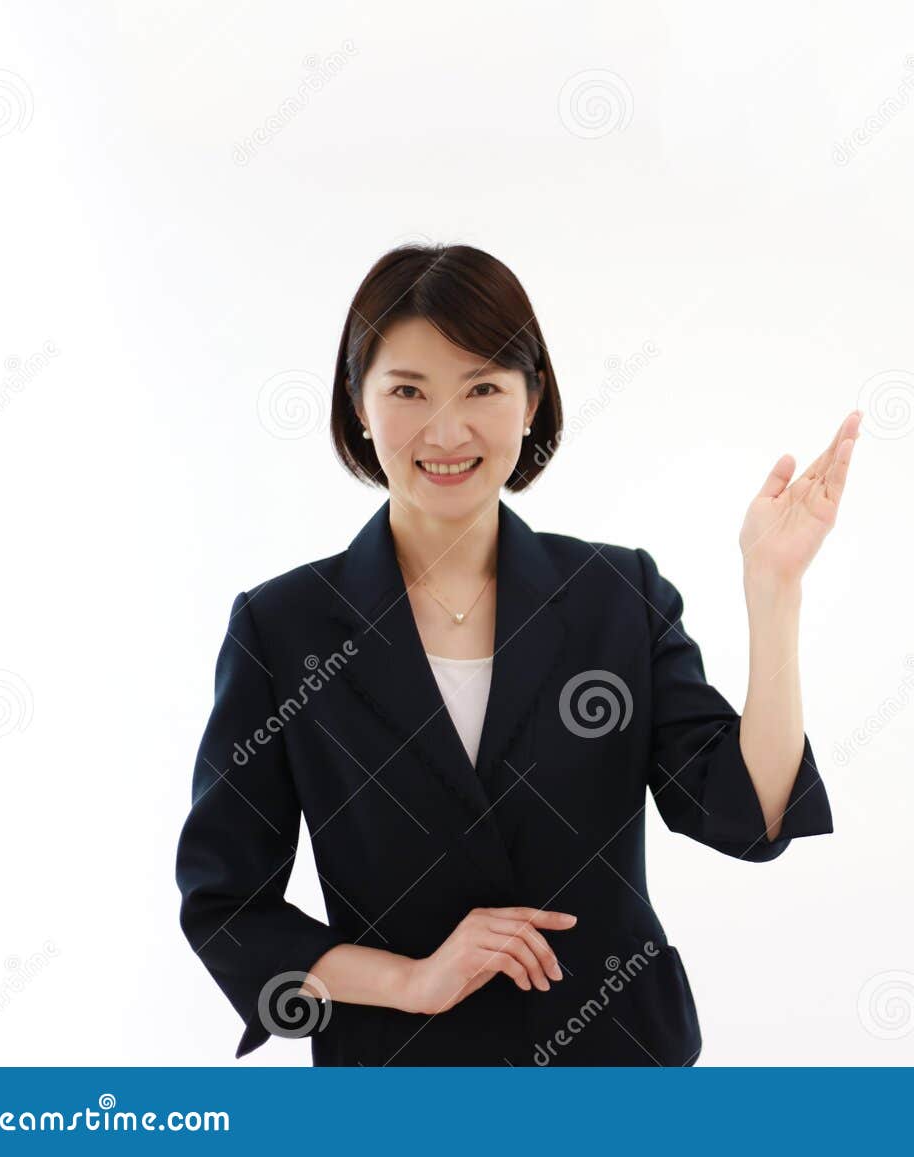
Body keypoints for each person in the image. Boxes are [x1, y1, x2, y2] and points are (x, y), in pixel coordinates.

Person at [173, 243, 860, 1065]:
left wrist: (773, 590)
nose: (447, 430)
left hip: (616, 1066)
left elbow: (751, 814)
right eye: (407, 391)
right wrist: (412, 980)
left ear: (533, 399)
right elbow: (228, 905)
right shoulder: (283, 627)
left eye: (483, 388)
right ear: (357, 404)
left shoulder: (618, 595)